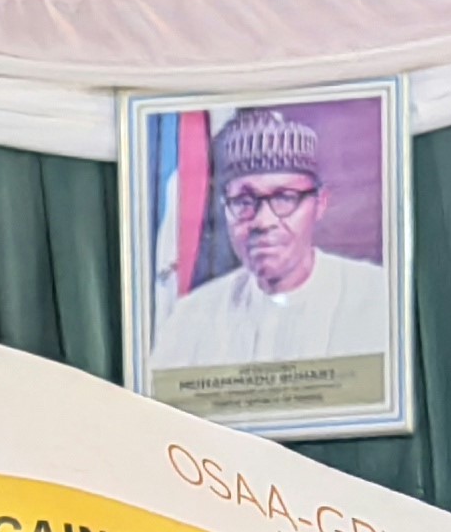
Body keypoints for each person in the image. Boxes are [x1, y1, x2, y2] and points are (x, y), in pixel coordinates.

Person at [146, 109, 393, 373]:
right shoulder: (190, 317)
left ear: (320, 204)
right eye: (243, 202)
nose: (263, 221)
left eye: (284, 198)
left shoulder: (379, 298)